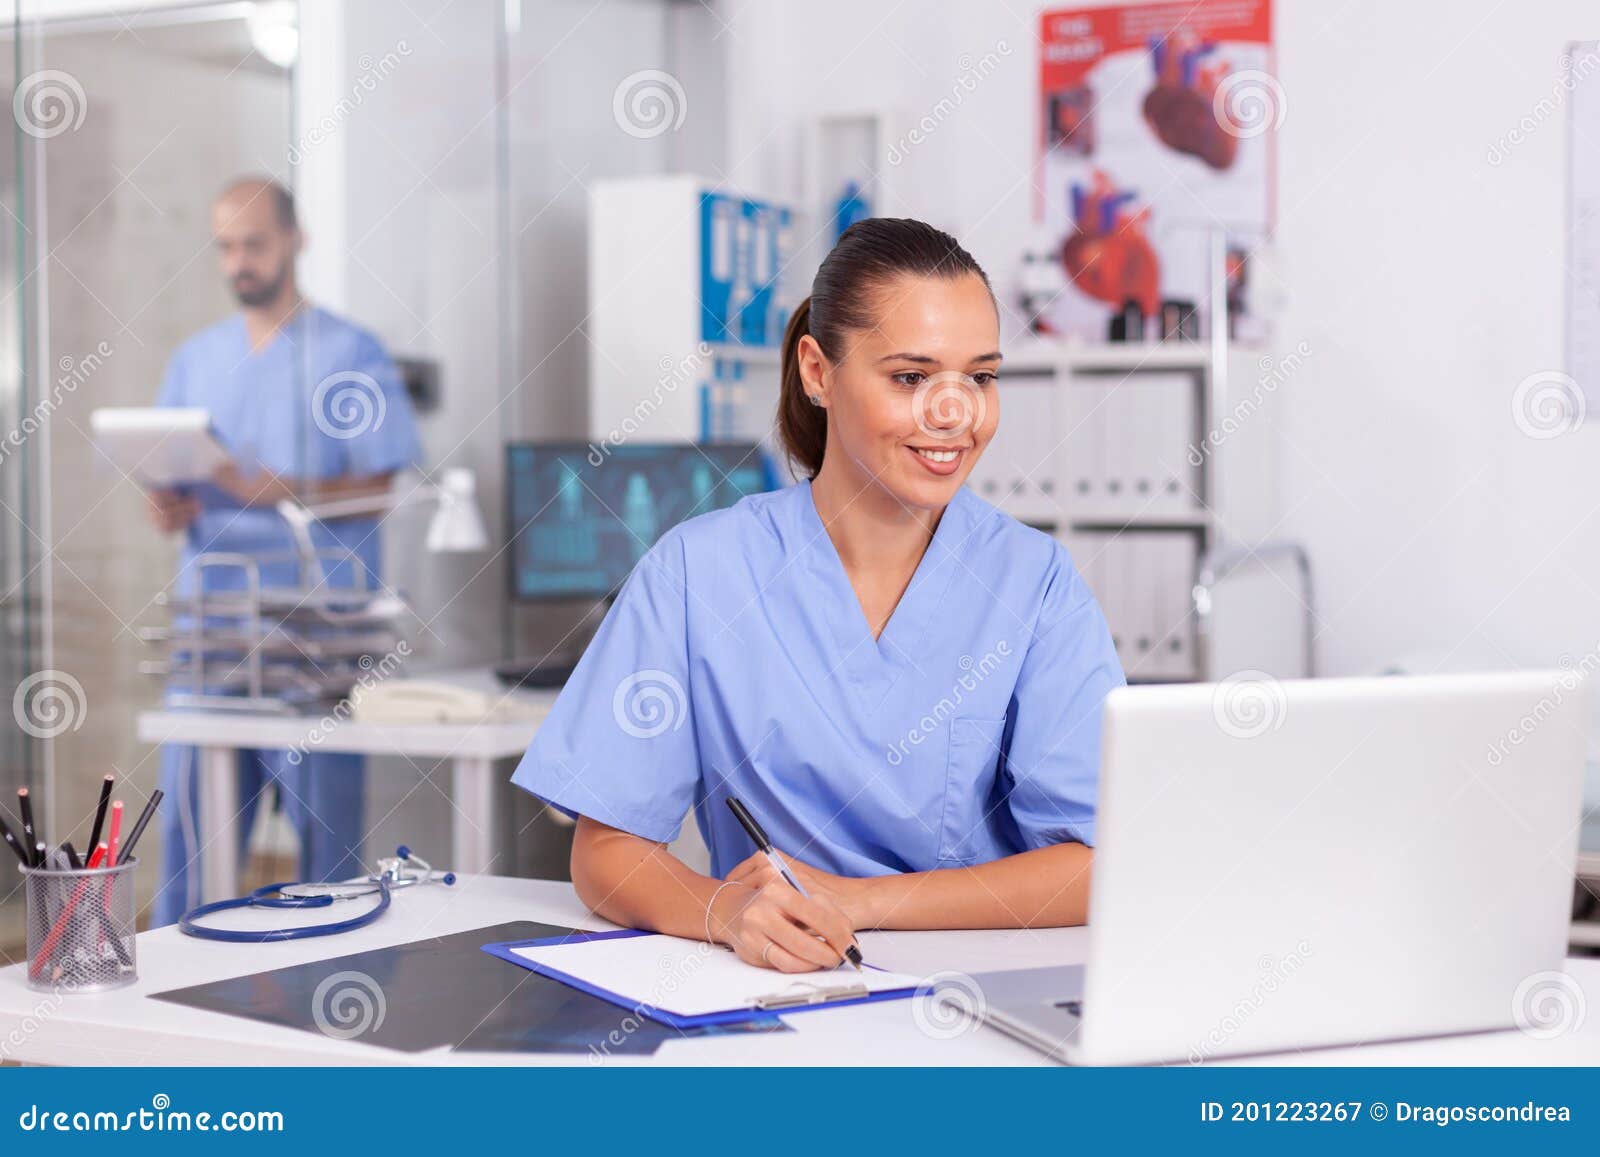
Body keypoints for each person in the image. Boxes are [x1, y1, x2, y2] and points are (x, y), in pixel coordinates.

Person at [511, 218, 1123, 972]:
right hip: (779, 984)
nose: (956, 413)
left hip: (981, 994)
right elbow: (604, 851)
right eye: (910, 377)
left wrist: (859, 899)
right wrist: (724, 909)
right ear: (817, 370)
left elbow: (1099, 863)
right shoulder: (698, 573)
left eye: (981, 377)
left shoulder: (1036, 583)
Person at [146, 177, 422, 927]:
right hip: (213, 638)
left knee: (323, 850)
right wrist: (167, 502)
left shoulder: (348, 352)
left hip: (316, 639)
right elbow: (174, 472)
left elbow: (381, 488)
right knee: (189, 840)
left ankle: (319, 1011)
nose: (240, 261)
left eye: (255, 243)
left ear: (297, 240)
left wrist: (279, 489)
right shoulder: (196, 359)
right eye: (227, 247)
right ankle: (177, 1022)